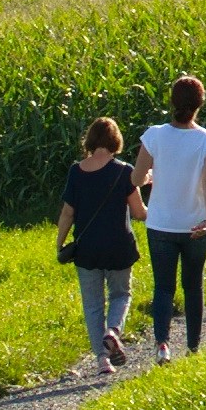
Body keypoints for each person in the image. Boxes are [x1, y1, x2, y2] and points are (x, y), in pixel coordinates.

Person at [135, 71, 206, 357]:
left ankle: (162, 344)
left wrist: (150, 175)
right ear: (200, 104)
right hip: (195, 224)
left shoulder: (154, 135)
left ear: (171, 101)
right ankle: (193, 346)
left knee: (163, 286)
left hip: (161, 223)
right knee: (193, 285)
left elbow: (136, 179)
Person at [54, 115, 145, 372]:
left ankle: (102, 361)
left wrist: (60, 243)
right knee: (121, 294)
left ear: (90, 140)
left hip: (87, 250)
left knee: (93, 305)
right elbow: (139, 213)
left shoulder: (76, 171)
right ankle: (113, 332)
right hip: (119, 247)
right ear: (116, 140)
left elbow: (67, 213)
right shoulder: (125, 171)